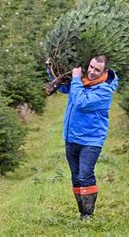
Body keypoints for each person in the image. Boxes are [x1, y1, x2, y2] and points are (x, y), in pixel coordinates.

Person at [50, 55, 118, 220]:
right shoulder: (83, 80)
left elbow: (81, 102)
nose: (93, 72)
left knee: (85, 174)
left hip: (91, 140)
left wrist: (75, 78)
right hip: (71, 137)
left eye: (97, 70)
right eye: (91, 67)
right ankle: (82, 211)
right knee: (75, 176)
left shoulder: (104, 90)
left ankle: (88, 214)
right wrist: (52, 68)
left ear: (105, 71)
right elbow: (65, 88)